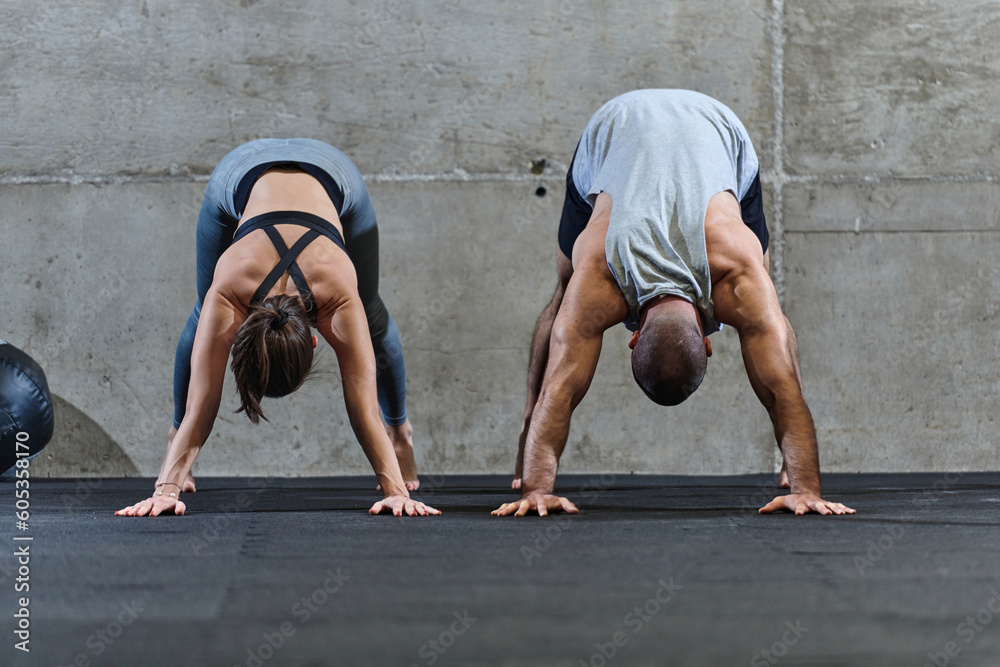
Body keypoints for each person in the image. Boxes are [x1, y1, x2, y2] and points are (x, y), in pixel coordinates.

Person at [495, 90, 854, 518]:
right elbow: (782, 389)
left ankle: (528, 433)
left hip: (699, 129)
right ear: (706, 340)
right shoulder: (726, 274)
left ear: (633, 338)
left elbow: (563, 387)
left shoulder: (605, 273)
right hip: (622, 129)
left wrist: (537, 489)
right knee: (766, 314)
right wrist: (806, 489)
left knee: (565, 299)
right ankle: (527, 422)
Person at [117, 138, 436, 517]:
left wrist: (166, 492)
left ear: (314, 339)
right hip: (251, 174)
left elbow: (364, 408)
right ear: (318, 339)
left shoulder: (332, 294)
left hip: (331, 177)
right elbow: (362, 408)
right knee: (206, 309)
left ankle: (400, 433)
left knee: (371, 314)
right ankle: (176, 437)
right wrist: (395, 493)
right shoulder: (236, 289)